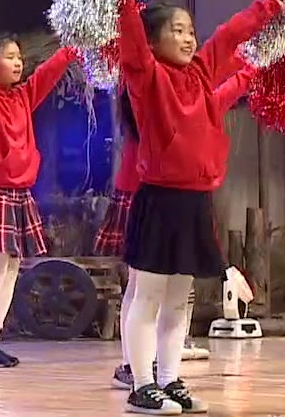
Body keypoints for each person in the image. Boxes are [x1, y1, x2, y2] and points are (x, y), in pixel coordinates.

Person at [115, 0, 285, 415]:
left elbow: (230, 36)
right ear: (154, 41)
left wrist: (269, 7)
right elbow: (132, 44)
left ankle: (170, 379)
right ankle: (141, 384)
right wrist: (123, 3)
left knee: (181, 298)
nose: (188, 37)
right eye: (177, 31)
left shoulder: (200, 73)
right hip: (160, 200)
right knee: (149, 296)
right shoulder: (146, 76)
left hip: (196, 201)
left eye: (190, 30)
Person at [102, 61, 257, 390]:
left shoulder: (184, 104)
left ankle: (161, 366)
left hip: (180, 199)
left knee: (170, 291)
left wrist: (252, 64)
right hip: (148, 198)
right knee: (141, 288)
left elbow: (223, 93)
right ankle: (136, 368)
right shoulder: (148, 99)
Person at [0, 34, 77, 367]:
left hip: (19, 192)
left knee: (9, 270)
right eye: (8, 56)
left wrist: (73, 47)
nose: (18, 62)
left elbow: (48, 74)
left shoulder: (23, 96)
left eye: (19, 56)